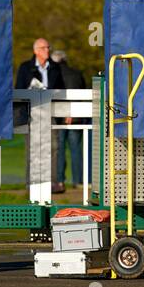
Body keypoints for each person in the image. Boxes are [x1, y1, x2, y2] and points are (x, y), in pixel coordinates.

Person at [15, 38, 66, 193]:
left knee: (54, 147)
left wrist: (65, 112)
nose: (47, 50)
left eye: (48, 47)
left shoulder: (56, 67)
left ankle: (53, 182)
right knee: (32, 148)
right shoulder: (25, 68)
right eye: (44, 48)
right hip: (32, 113)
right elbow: (18, 89)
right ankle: (31, 182)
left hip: (50, 112)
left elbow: (62, 90)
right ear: (36, 50)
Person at [51, 50, 86, 189]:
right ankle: (78, 181)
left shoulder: (54, 75)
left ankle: (60, 180)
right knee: (76, 149)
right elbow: (83, 92)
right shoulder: (77, 73)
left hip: (59, 117)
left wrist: (65, 113)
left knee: (59, 150)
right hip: (77, 117)